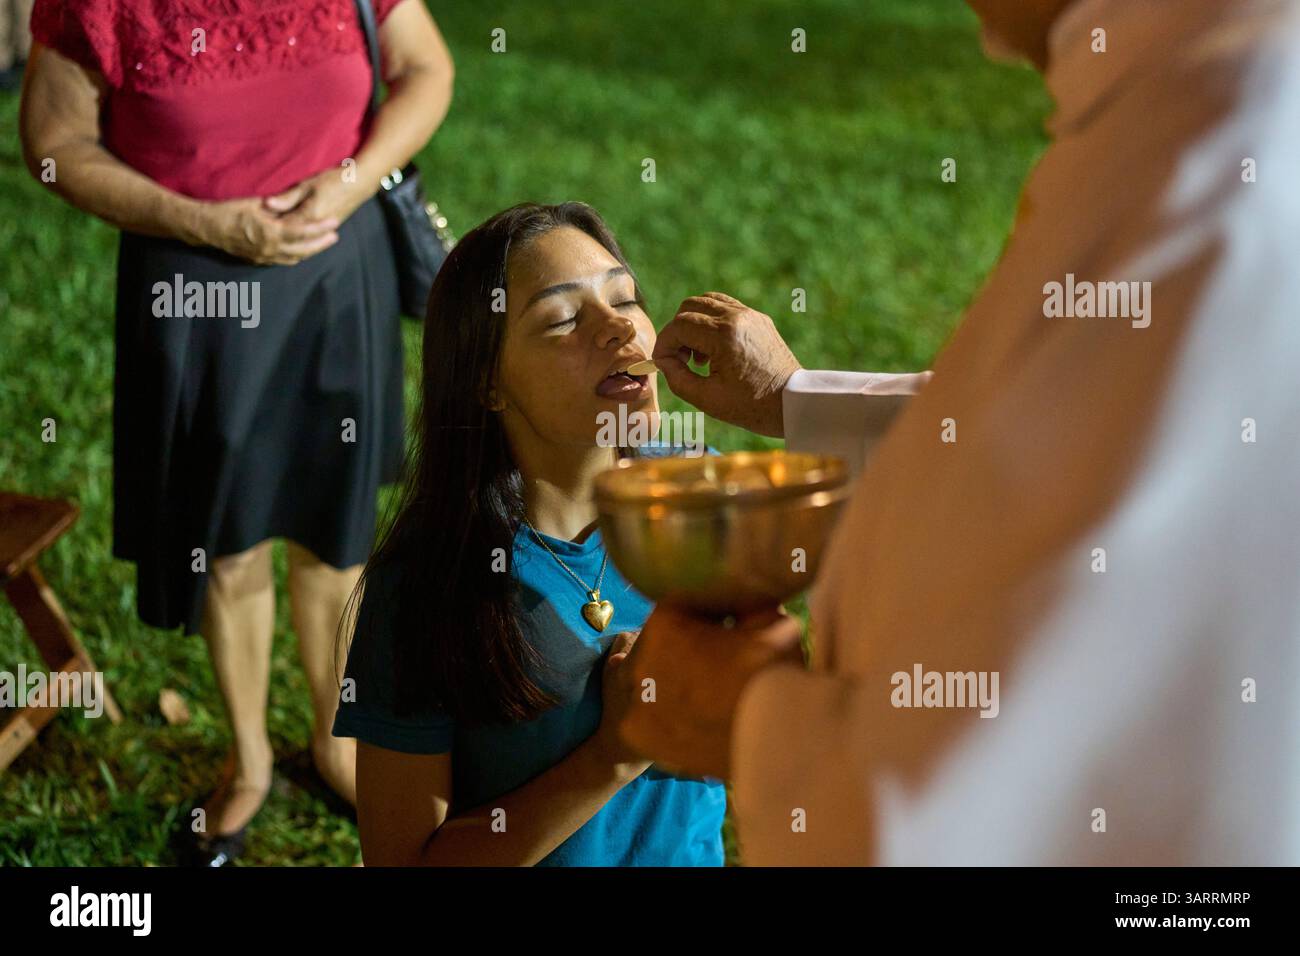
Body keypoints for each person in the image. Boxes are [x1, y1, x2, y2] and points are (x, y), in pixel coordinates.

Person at [616, 0, 1300, 865]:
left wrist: (749, 722)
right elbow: (1077, 424)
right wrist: (800, 401)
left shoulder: (1214, 149)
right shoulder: (1183, 107)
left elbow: (985, 808)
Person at [19, 0, 454, 864]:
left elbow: (428, 71)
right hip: (196, 288)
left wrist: (351, 178)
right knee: (228, 539)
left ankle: (338, 742)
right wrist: (205, 222)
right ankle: (249, 761)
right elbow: (55, 150)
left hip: (338, 267)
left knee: (338, 530)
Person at [331, 202, 728, 866]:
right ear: (486, 381)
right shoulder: (428, 588)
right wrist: (613, 756)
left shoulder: (705, 499)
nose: (617, 328)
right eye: (563, 319)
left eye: (625, 299)